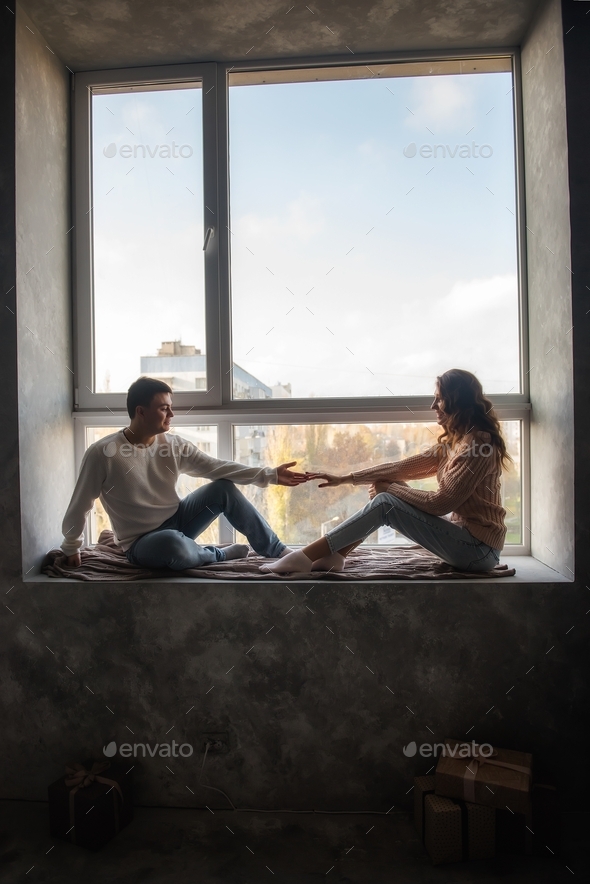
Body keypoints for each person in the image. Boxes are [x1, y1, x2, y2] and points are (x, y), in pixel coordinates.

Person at [262, 369, 511, 575]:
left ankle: (304, 557)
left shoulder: (478, 445)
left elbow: (441, 503)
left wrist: (389, 489)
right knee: (388, 489)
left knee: (385, 502)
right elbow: (400, 468)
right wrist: (345, 479)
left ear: (457, 402)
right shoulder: (456, 442)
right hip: (466, 540)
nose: (433, 405)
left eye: (439, 398)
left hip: (479, 551)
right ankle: (337, 555)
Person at [61, 377, 308, 570]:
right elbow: (81, 503)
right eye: (164, 409)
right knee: (171, 544)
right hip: (142, 543)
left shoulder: (174, 445)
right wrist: (72, 546)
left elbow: (217, 467)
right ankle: (219, 554)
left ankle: (279, 552)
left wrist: (270, 475)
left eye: (171, 408)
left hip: (179, 520)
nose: (171, 415)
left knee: (222, 489)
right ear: (141, 411)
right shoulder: (103, 453)